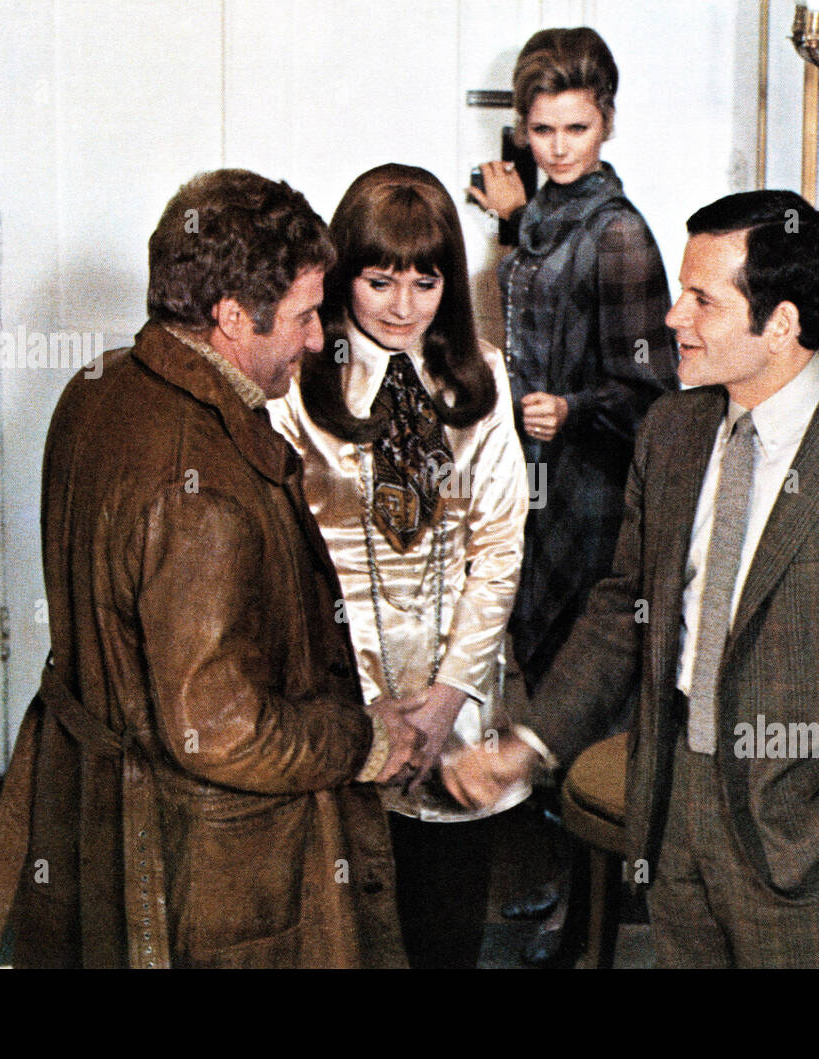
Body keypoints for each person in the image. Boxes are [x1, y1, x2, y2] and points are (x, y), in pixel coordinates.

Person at [443, 190, 819, 968]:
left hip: (805, 842)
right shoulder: (671, 432)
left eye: (702, 298)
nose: (672, 317)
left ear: (783, 324)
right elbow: (620, 610)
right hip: (672, 808)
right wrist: (533, 738)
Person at [0, 169, 418, 969]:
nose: (317, 339)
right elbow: (222, 730)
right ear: (232, 317)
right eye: (306, 315)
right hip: (209, 867)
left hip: (94, 825)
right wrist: (363, 740)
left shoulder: (95, 388)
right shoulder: (199, 489)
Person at [268, 164, 529, 968]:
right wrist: (369, 712)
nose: (403, 305)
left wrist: (447, 699)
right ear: (344, 274)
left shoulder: (481, 377)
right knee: (341, 930)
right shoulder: (296, 387)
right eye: (380, 281)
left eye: (425, 280)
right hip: (341, 698)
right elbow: (284, 558)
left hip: (453, 700)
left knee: (444, 931)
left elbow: (500, 548)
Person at [467, 26, 679, 958]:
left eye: (576, 128)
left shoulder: (621, 232)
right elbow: (538, 295)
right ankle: (560, 886)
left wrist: (577, 406)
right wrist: (513, 227)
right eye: (543, 128)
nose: (558, 147)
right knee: (542, 682)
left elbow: (658, 394)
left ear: (608, 122)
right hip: (539, 490)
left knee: (580, 698)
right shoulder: (547, 210)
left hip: (593, 498)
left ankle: (588, 913)